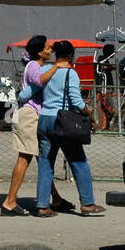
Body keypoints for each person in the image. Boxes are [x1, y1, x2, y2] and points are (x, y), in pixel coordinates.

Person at [0, 35, 69, 216]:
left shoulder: (38, 66)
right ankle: (9, 201)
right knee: (25, 158)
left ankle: (56, 198)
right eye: (47, 47)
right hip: (28, 116)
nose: (50, 50)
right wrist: (56, 66)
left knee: (43, 160)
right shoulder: (33, 66)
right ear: (39, 52)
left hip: (35, 115)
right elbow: (39, 81)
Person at [34, 41, 105, 218]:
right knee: (79, 162)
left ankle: (43, 206)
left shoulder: (45, 70)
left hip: (44, 119)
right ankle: (87, 203)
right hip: (63, 121)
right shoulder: (71, 73)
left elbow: (32, 90)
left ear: (56, 54)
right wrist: (91, 117)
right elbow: (76, 101)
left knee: (45, 163)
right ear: (71, 56)